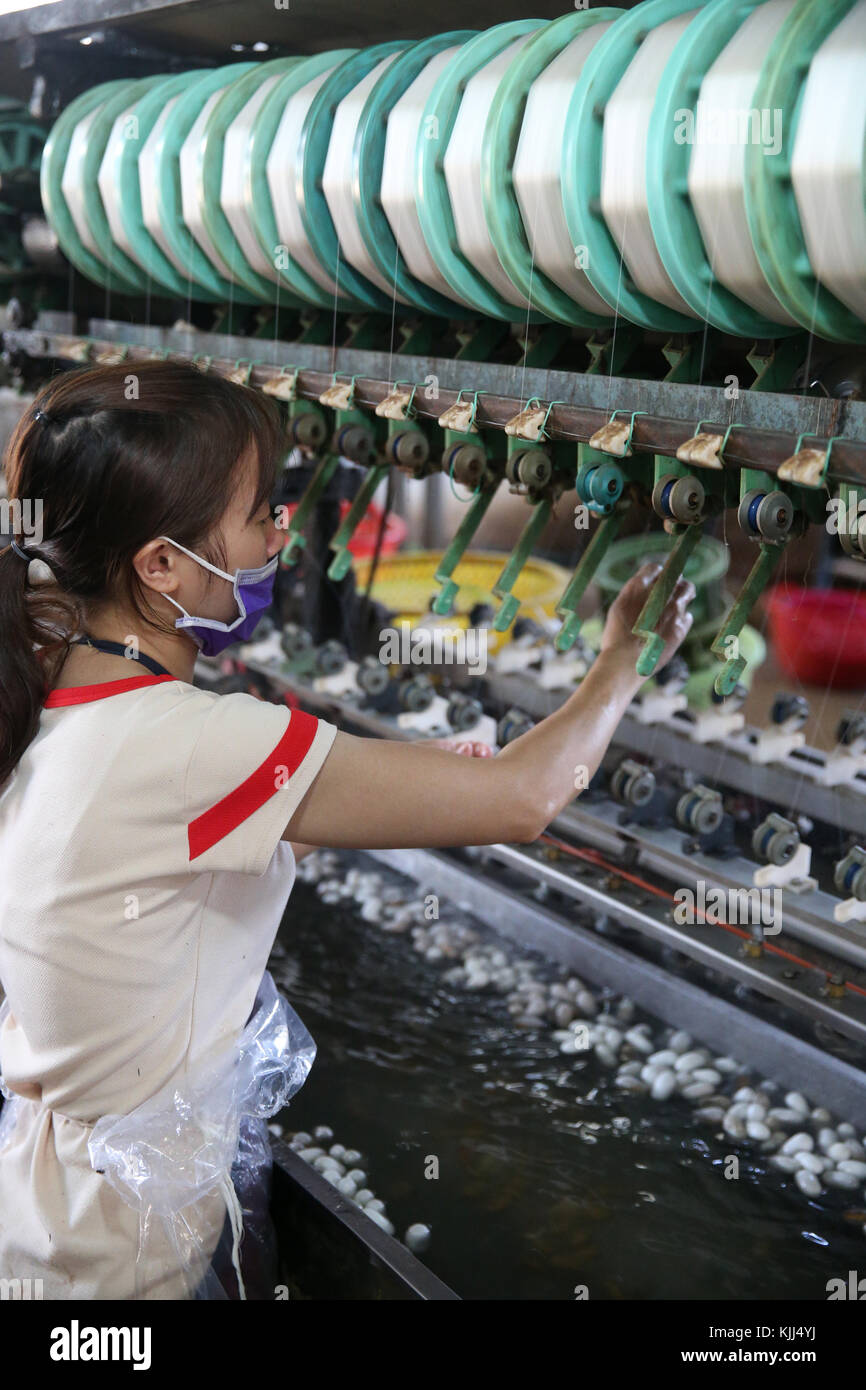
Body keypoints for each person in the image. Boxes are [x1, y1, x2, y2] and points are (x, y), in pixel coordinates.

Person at [0, 360, 694, 1300]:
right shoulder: (184, 740)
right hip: (122, 1259)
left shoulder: (53, 679)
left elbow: (169, 851)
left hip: (53, 1214)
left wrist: (397, 785)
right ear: (159, 564)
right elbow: (530, 797)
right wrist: (622, 658)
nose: (281, 531)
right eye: (259, 515)